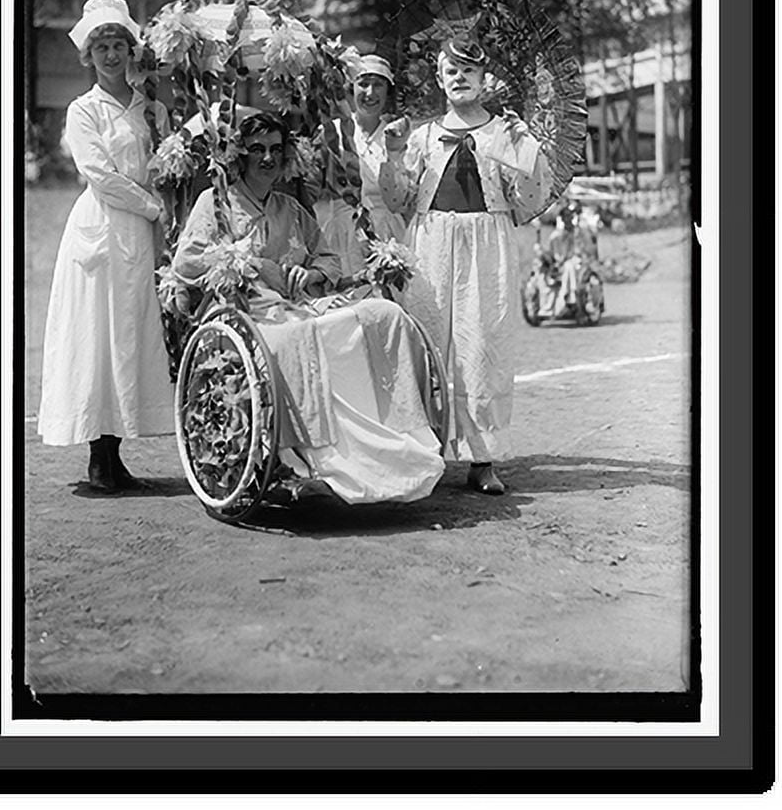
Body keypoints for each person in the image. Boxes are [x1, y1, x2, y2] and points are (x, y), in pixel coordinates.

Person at [172, 110, 444, 505]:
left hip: (299, 305)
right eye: (256, 150)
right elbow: (187, 262)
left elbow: (329, 258)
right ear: (239, 156)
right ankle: (308, 458)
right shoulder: (216, 204)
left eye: (275, 151)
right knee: (292, 338)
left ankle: (401, 435)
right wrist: (249, 264)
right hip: (244, 311)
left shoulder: (290, 208)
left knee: (384, 315)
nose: (267, 159)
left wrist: (311, 273)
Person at [377, 35, 554, 495]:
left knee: (482, 343)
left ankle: (482, 458)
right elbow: (398, 200)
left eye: (468, 71)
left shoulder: (503, 132)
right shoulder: (423, 136)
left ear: (483, 79)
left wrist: (524, 151)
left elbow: (525, 200)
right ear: (439, 79)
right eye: (450, 71)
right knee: (428, 340)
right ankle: (425, 447)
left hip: (485, 245)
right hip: (431, 243)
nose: (459, 78)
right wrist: (395, 154)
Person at [37, 0, 175, 492]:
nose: (111, 56)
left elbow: (166, 166)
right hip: (103, 227)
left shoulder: (152, 108)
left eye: (118, 45)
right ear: (89, 57)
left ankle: (117, 457)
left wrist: (165, 209)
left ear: (130, 51)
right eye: (102, 48)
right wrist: (153, 205)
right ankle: (99, 457)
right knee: (99, 335)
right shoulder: (83, 110)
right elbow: (99, 173)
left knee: (130, 335)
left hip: (141, 232)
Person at [313, 54, 407, 280]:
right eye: (363, 84)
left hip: (387, 233)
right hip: (341, 231)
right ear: (350, 88)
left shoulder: (398, 134)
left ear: (388, 91)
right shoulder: (330, 131)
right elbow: (314, 186)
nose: (370, 93)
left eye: (378, 85)